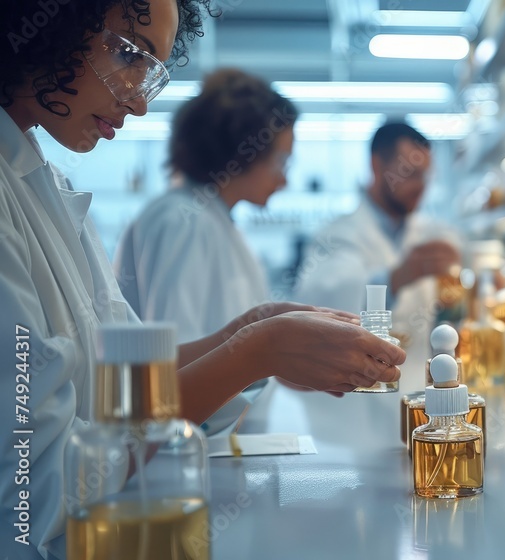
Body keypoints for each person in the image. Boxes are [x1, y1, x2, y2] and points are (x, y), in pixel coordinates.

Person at [0, 2, 403, 558]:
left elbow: (127, 375)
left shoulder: (40, 178)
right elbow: (41, 483)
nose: (139, 101)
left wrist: (252, 331)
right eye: (127, 53)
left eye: (151, 71)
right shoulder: (177, 220)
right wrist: (255, 350)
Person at [115, 68, 293, 344]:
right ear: (243, 151)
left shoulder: (210, 218)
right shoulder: (183, 220)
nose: (284, 180)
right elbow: (176, 352)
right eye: (280, 161)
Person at [294, 123, 460, 374]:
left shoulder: (428, 232)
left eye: (425, 176)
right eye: (411, 174)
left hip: (416, 385)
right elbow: (322, 302)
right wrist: (397, 277)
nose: (421, 186)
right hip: (355, 397)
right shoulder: (337, 235)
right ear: (377, 166)